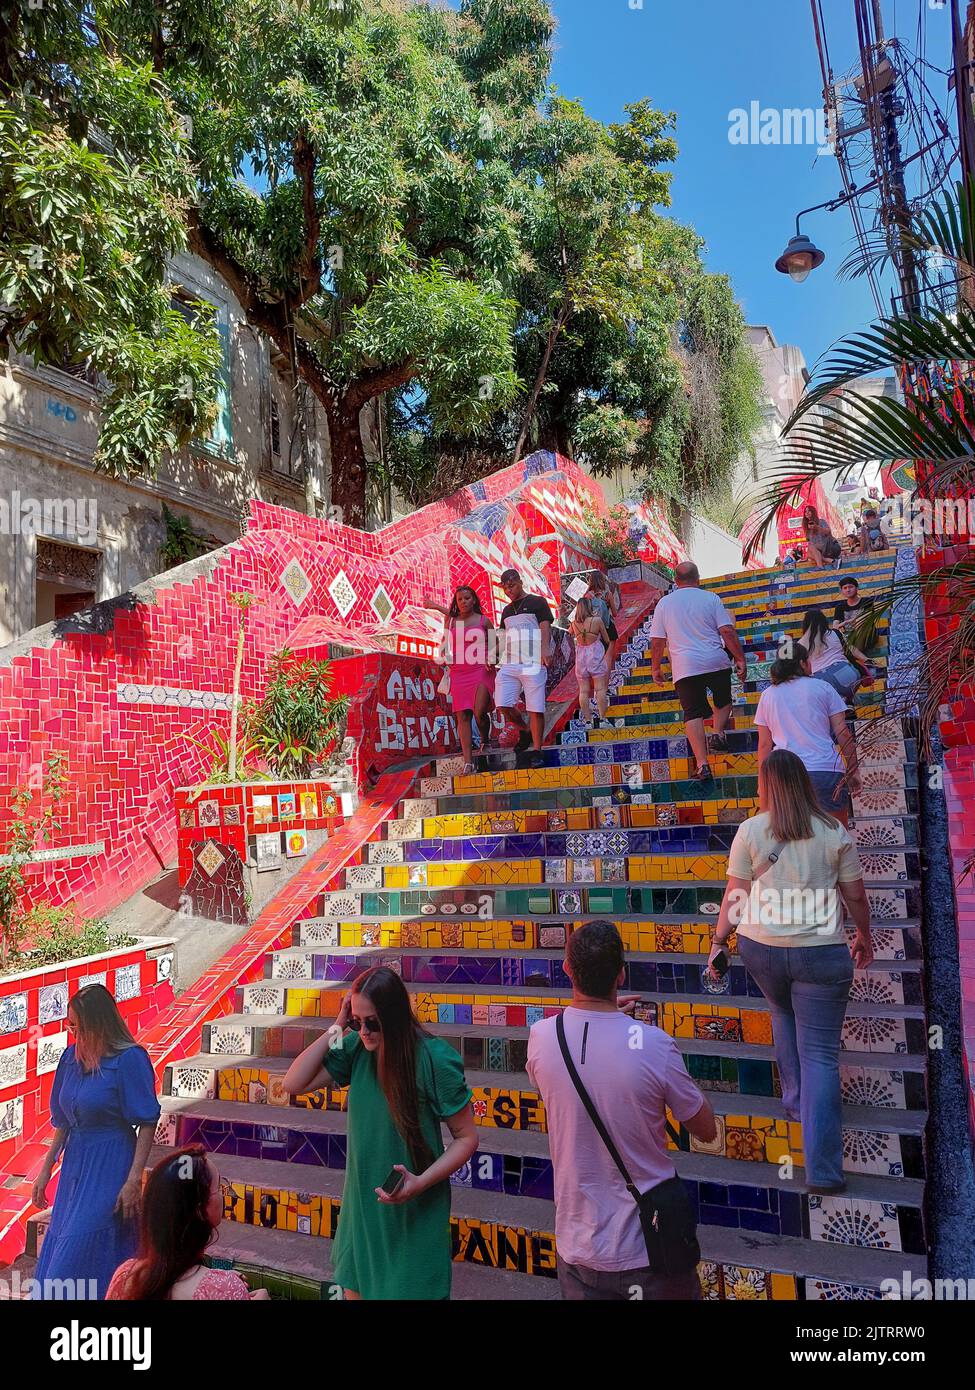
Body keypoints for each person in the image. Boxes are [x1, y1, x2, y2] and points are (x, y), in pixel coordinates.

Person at [706, 750, 874, 1194]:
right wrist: (864, 936)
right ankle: (823, 1171)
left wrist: (719, 941)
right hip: (820, 953)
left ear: (767, 787)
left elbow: (735, 896)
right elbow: (855, 897)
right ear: (803, 784)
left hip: (762, 950)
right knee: (820, 1054)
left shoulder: (750, 830)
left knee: (782, 1015)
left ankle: (796, 1104)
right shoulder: (834, 831)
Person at [527, 921, 716, 1300]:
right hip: (648, 1250)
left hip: (576, 1248)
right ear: (621, 973)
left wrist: (609, 1023)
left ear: (567, 969)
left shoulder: (542, 1038)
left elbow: (567, 1078)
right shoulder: (654, 1045)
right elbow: (705, 1129)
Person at [282, 966, 477, 1300]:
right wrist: (338, 1025)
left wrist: (420, 1181)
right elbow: (293, 1083)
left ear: (395, 1015)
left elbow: (467, 1138)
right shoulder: (356, 1047)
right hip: (362, 1213)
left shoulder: (434, 1059)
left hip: (413, 1217)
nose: (365, 1031)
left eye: (372, 1021)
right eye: (358, 1021)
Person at [31, 983, 160, 1300]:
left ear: (98, 1023)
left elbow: (146, 1121)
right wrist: (45, 1172)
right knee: (61, 1245)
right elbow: (62, 1122)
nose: (72, 1030)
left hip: (111, 1162)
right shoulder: (69, 1059)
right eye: (70, 1024)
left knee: (81, 1251)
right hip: (75, 1166)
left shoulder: (129, 1059)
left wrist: (133, 1181)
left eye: (77, 1025)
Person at [105, 1146, 269, 1300]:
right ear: (200, 1209)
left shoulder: (125, 1276)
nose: (222, 1195)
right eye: (219, 1187)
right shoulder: (224, 1289)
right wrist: (224, 1286)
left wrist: (218, 1280)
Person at [650, 560, 748, 781]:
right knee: (723, 700)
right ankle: (717, 732)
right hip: (715, 660)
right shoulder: (711, 598)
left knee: (692, 713)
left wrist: (655, 668)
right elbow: (727, 631)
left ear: (675, 581)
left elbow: (657, 641)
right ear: (698, 579)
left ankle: (703, 764)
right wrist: (740, 658)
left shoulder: (664, 604)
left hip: (684, 665)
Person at [754, 643, 861, 825]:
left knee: (792, 837)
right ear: (803, 663)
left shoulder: (767, 695)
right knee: (835, 836)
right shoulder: (823, 687)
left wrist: (762, 783)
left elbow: (764, 745)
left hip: (783, 774)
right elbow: (842, 733)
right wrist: (853, 769)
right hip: (825, 770)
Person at [424, 586, 496, 774]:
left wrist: (492, 657)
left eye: (467, 598)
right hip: (459, 671)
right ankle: (468, 762)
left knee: (479, 711)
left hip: (481, 668)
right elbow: (445, 641)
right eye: (460, 600)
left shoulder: (484, 621)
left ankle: (485, 740)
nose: (463, 602)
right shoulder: (453, 622)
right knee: (462, 715)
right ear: (457, 603)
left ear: (474, 600)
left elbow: (497, 643)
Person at [495, 568, 554, 758]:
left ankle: (537, 750)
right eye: (505, 588)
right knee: (503, 704)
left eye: (511, 586)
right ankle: (524, 730)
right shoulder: (506, 610)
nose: (508, 591)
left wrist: (545, 650)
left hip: (533, 660)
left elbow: (545, 627)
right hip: (510, 663)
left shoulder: (537, 602)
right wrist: (493, 656)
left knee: (535, 707)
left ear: (520, 581)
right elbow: (503, 637)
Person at [799, 607, 874, 700]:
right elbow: (851, 649)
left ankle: (843, 702)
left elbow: (803, 667)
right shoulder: (835, 633)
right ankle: (847, 702)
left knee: (833, 706)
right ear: (824, 621)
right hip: (846, 672)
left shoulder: (801, 644)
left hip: (822, 681)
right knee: (845, 698)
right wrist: (866, 659)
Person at [570, 597, 611, 726]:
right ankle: (603, 719)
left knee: (583, 691)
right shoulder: (597, 621)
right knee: (600, 689)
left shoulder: (573, 624)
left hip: (581, 658)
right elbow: (607, 639)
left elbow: (570, 633)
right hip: (595, 657)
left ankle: (588, 722)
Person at [586, 571, 621, 672]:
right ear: (602, 580)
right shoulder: (607, 594)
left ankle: (598, 681)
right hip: (608, 627)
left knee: (597, 656)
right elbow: (614, 613)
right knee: (608, 656)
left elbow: (585, 614)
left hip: (594, 629)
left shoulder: (587, 596)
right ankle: (606, 682)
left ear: (590, 581)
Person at [802, 504, 842, 570]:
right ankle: (832, 561)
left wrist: (817, 527)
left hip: (831, 547)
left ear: (813, 512)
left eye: (809, 511)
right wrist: (807, 557)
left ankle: (820, 566)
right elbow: (810, 542)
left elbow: (828, 532)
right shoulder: (807, 529)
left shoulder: (821, 521)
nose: (807, 513)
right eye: (805, 512)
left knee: (811, 547)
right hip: (822, 551)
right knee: (809, 553)